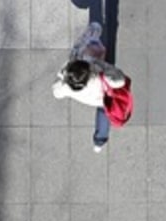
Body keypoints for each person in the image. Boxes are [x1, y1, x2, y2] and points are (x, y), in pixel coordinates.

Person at [51, 23, 129, 152]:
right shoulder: (98, 76)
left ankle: (99, 142)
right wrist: (97, 63)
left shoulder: (65, 86)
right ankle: (99, 141)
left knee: (103, 112)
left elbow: (56, 92)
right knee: (104, 112)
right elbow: (120, 80)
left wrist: (62, 74)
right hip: (102, 96)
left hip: (90, 98)